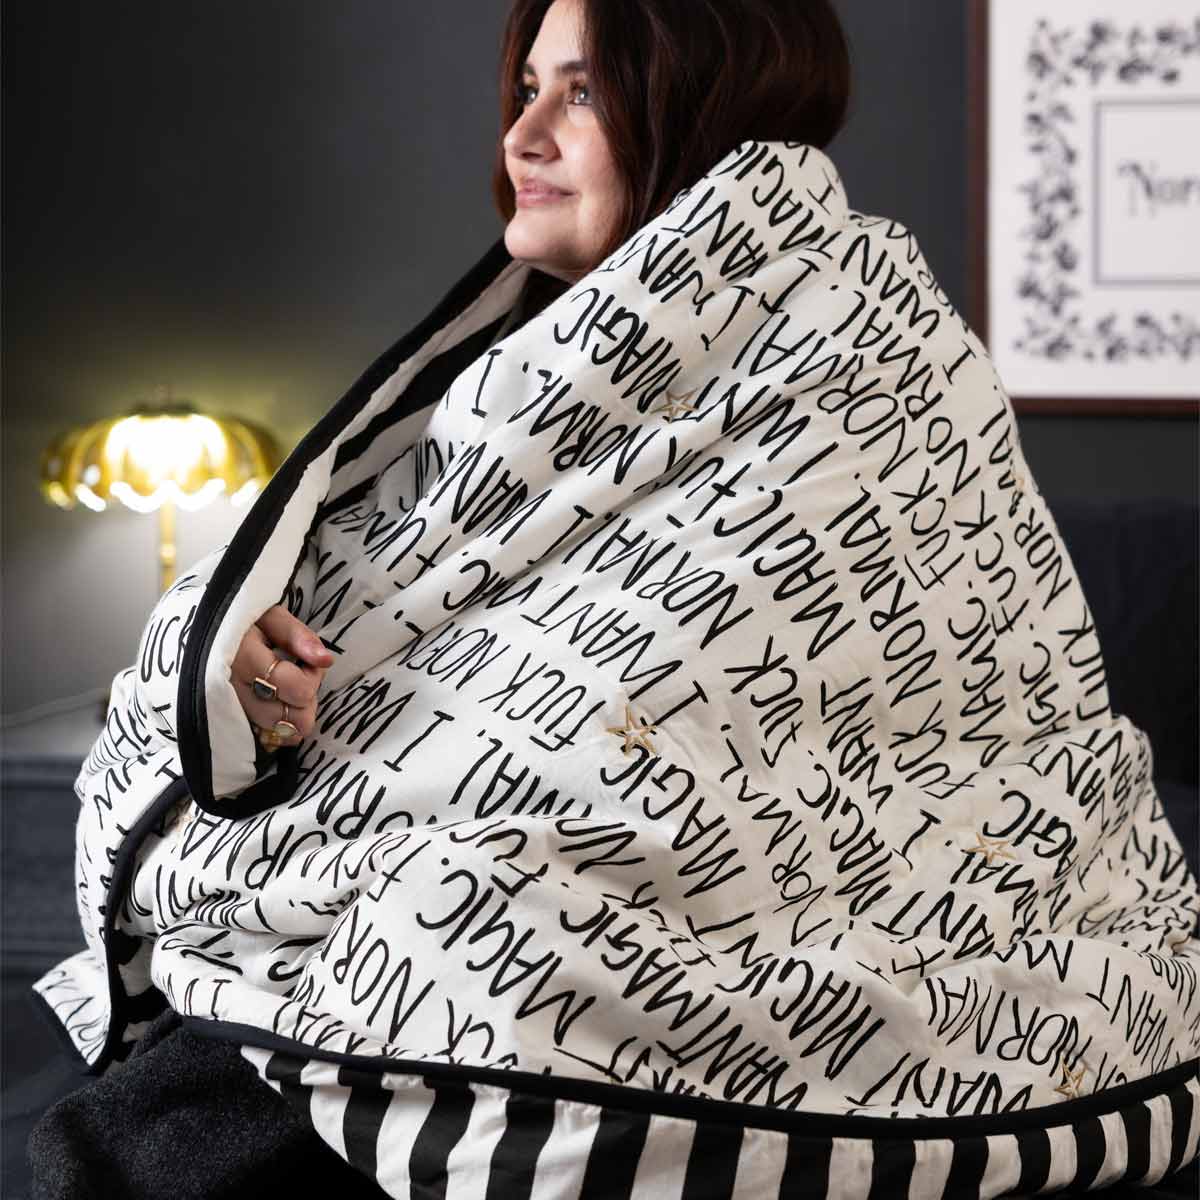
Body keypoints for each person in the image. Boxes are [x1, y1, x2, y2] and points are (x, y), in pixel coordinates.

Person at [26, 1, 1200, 1197]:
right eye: (526, 88)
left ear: (705, 107)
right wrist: (249, 673)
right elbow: (435, 609)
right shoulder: (538, 369)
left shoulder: (855, 352)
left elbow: (663, 710)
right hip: (423, 884)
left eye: (581, 93)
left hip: (804, 897)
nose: (522, 136)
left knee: (404, 973)